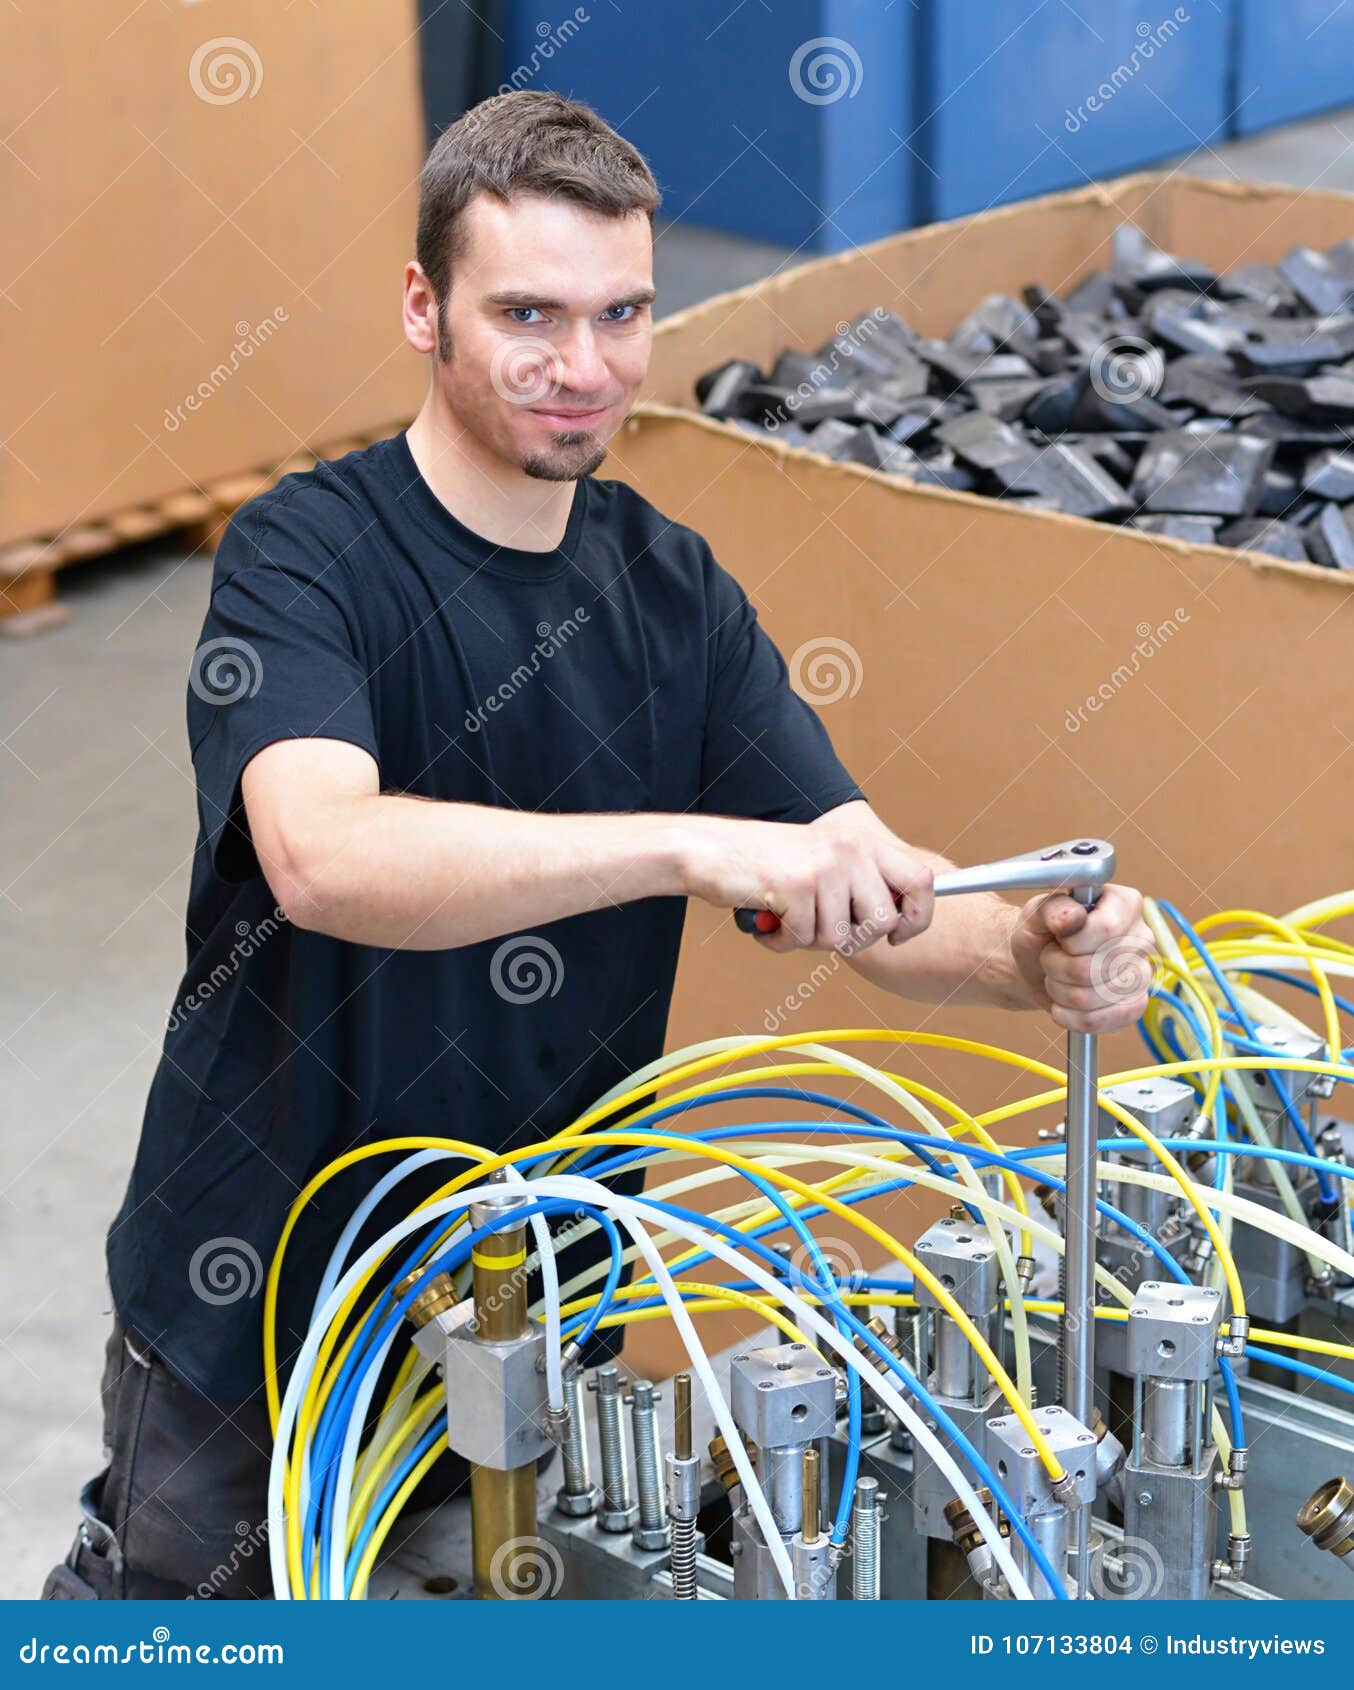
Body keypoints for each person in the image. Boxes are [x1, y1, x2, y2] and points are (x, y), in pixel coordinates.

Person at [44, 89, 1151, 1600]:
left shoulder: (669, 592)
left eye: (623, 313)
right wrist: (694, 848)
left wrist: (1022, 949)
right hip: (261, 1306)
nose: (585, 369)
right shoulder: (307, 554)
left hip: (524, 1311)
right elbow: (324, 856)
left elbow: (857, 883)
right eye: (531, 315)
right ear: (425, 309)